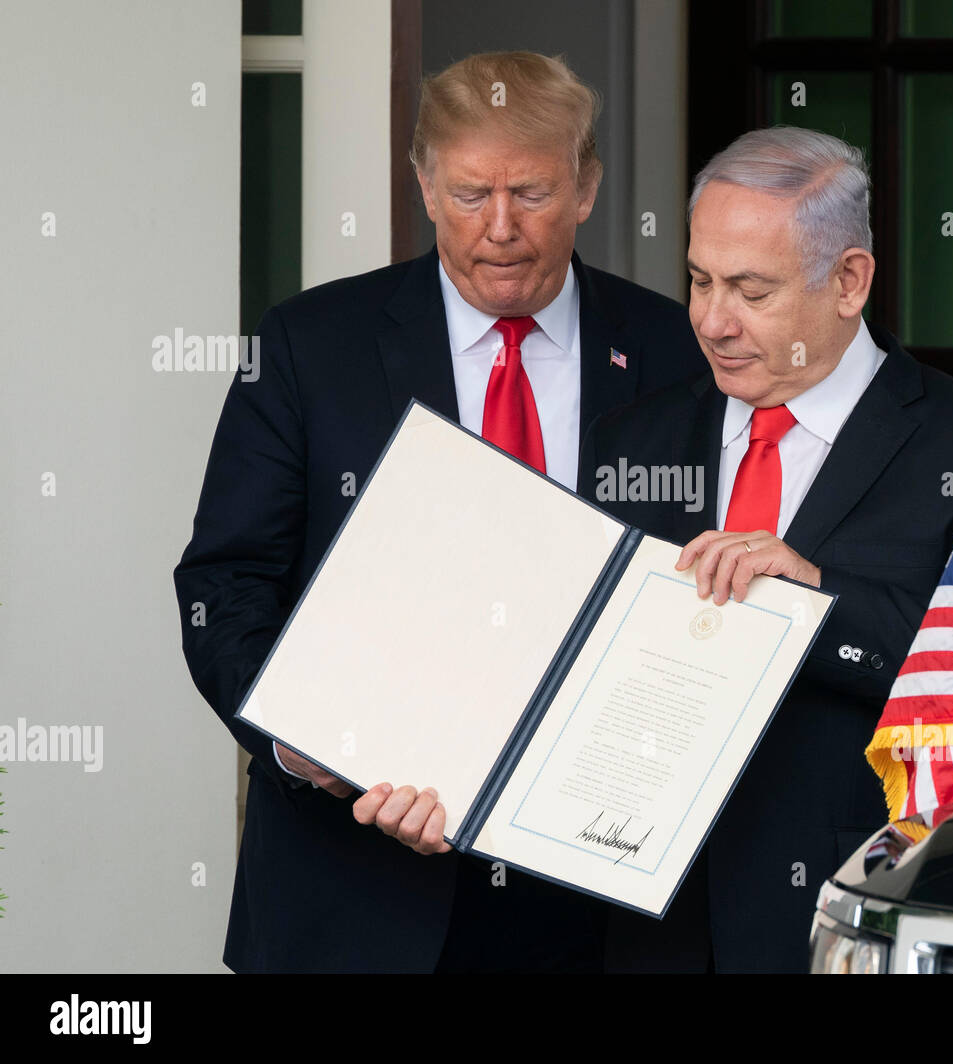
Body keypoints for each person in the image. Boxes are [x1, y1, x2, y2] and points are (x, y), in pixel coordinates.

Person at [174, 51, 702, 973]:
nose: (499, 229)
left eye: (531, 193)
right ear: (422, 185)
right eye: (469, 194)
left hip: (595, 896)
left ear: (587, 186)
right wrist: (305, 745)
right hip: (354, 889)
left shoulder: (677, 351)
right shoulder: (308, 346)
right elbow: (225, 582)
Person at [580, 126, 953, 972]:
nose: (711, 321)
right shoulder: (631, 440)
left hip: (851, 906)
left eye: (750, 291)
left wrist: (811, 594)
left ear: (849, 281)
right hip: (644, 917)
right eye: (698, 280)